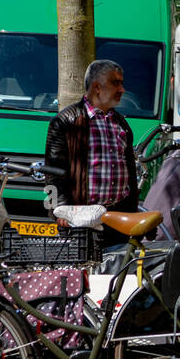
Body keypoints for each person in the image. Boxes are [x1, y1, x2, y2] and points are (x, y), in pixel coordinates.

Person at [45, 60, 140, 247]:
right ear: (97, 87)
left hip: (117, 218)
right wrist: (58, 210)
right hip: (82, 220)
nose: (122, 89)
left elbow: (130, 173)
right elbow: (52, 173)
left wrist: (132, 212)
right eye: (116, 83)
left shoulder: (121, 124)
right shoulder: (66, 122)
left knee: (116, 273)